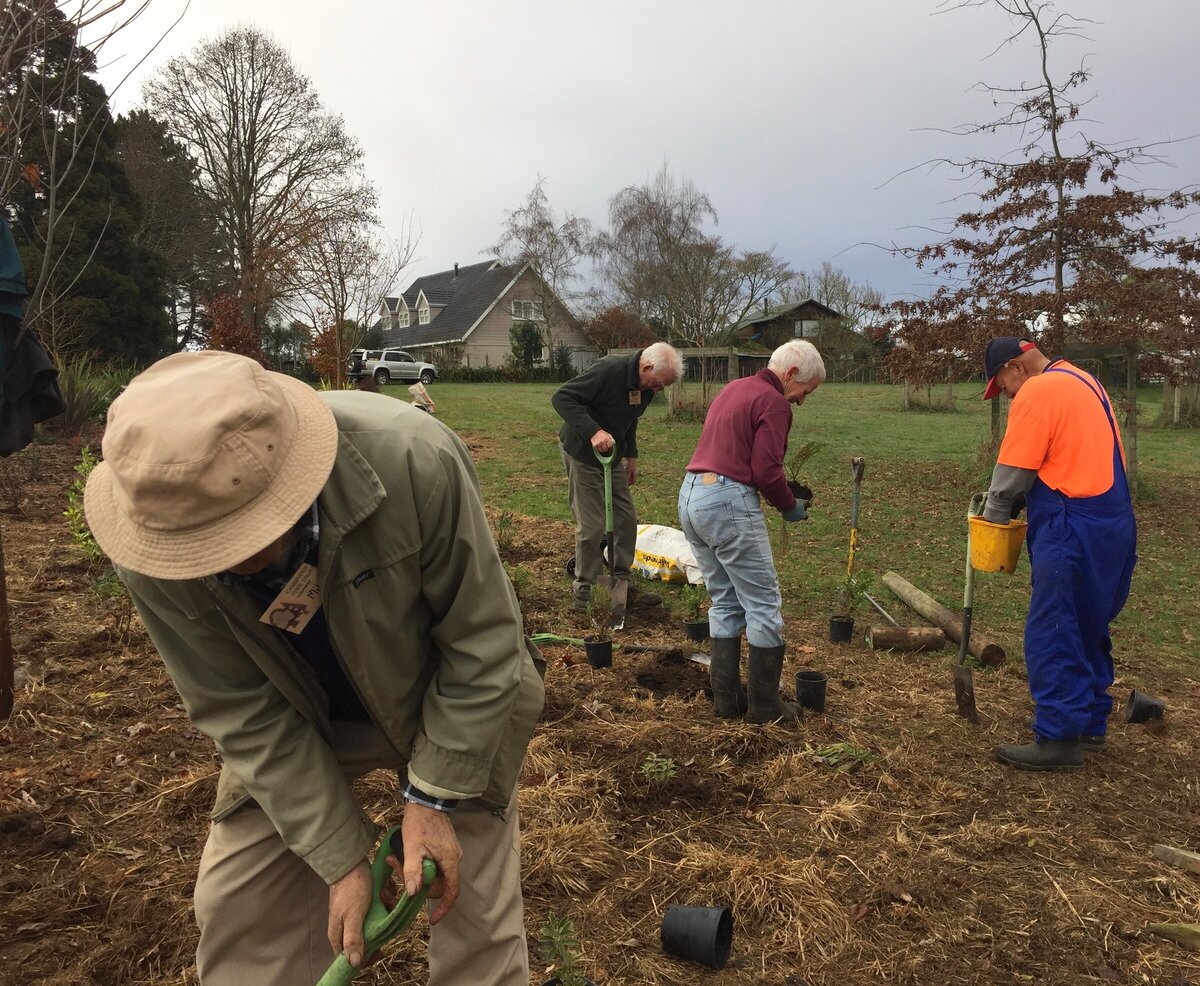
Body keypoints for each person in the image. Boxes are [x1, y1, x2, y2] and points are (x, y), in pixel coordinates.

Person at [83, 351, 544, 986]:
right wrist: (340, 857)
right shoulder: (151, 538)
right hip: (298, 716)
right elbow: (240, 709)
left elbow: (484, 641)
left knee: (471, 906)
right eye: (202, 546)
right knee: (237, 908)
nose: (221, 560)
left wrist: (432, 795)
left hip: (446, 696)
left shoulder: (411, 458)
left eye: (238, 534)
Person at [980, 336, 1137, 771]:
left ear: (1017, 366)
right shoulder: (1084, 381)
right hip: (1113, 523)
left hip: (1071, 524)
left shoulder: (1038, 389)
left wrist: (995, 512)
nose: (1007, 393)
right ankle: (1089, 724)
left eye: (1002, 384)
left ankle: (1058, 738)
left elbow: (1015, 468)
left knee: (1054, 627)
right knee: (1089, 623)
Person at [678, 340, 826, 724]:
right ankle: (765, 708)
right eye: (805, 391)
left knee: (725, 602)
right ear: (791, 373)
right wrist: (789, 507)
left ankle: (727, 703)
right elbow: (766, 472)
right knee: (763, 605)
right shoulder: (773, 401)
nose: (801, 401)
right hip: (727, 501)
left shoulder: (735, 388)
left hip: (692, 494)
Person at [552, 341, 682, 611]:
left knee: (625, 518)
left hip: (613, 455)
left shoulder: (644, 386)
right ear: (645, 367)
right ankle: (584, 591)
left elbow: (630, 418)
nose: (658, 391)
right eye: (658, 384)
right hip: (583, 452)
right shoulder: (608, 371)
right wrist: (593, 431)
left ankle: (621, 583)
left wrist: (631, 455)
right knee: (592, 525)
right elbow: (562, 397)